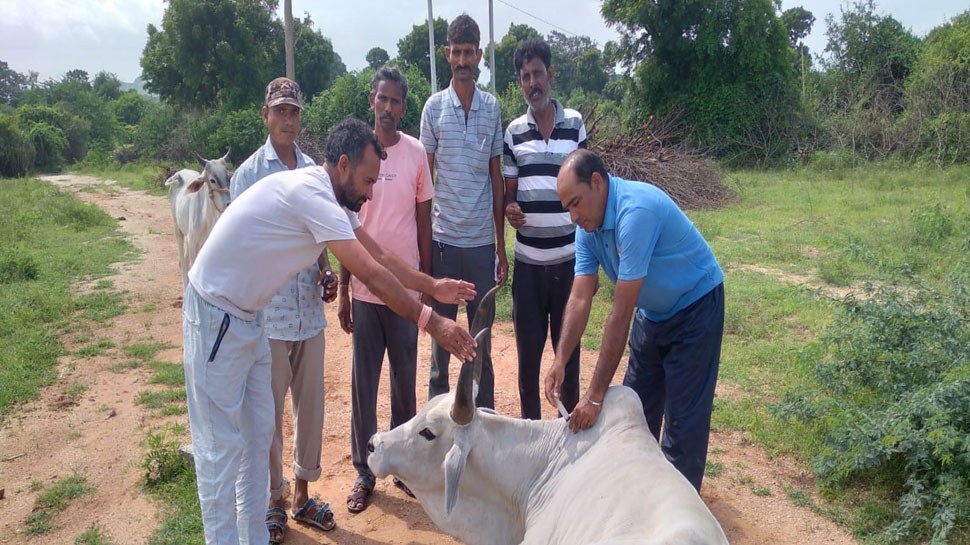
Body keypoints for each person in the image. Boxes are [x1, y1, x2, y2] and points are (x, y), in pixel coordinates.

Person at [182, 118, 478, 545]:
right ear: (343, 164)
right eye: (368, 181)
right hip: (215, 316)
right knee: (218, 452)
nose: (371, 193)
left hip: (248, 318)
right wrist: (433, 321)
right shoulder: (312, 195)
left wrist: (432, 286)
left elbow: (380, 254)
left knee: (257, 438)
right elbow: (370, 274)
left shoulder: (330, 201)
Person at [543, 149, 724, 493]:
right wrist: (560, 360)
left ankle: (676, 512)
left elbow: (620, 313)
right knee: (635, 414)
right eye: (567, 207)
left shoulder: (635, 212)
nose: (573, 216)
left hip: (695, 309)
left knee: (682, 428)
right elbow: (580, 298)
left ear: (597, 183)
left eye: (576, 203)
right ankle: (640, 498)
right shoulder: (587, 229)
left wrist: (594, 396)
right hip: (652, 314)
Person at [229, 76, 336, 543]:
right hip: (268, 317)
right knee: (268, 415)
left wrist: (326, 271)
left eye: (294, 112)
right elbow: (239, 245)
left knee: (310, 410)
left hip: (308, 312)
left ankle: (303, 496)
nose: (288, 120)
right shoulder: (248, 175)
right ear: (265, 116)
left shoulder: (312, 171)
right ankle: (274, 499)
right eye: (280, 111)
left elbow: (322, 234)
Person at [337, 67, 432, 513]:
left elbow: (424, 222)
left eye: (395, 101)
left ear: (404, 107)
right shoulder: (358, 155)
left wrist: (426, 285)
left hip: (404, 292)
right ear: (371, 101)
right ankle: (364, 471)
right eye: (382, 99)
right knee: (364, 386)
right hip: (364, 291)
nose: (388, 108)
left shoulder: (416, 153)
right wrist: (344, 289)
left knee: (404, 383)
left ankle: (403, 467)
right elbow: (345, 228)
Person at [420, 13, 507, 409]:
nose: (462, 60)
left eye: (469, 53)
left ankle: (483, 418)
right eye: (456, 52)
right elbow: (423, 185)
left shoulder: (492, 108)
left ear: (479, 56)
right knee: (440, 342)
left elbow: (496, 179)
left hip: (480, 246)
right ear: (447, 54)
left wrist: (501, 246)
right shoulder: (433, 108)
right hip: (443, 244)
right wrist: (423, 256)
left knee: (481, 342)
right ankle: (435, 428)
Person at [503, 38, 587, 420]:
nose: (532, 83)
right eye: (525, 77)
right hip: (529, 268)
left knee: (568, 358)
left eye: (538, 73)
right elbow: (509, 197)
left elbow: (586, 190)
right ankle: (531, 436)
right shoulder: (513, 133)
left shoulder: (575, 125)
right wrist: (510, 210)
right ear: (520, 83)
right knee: (528, 362)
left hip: (569, 263)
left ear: (550, 74)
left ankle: (567, 435)